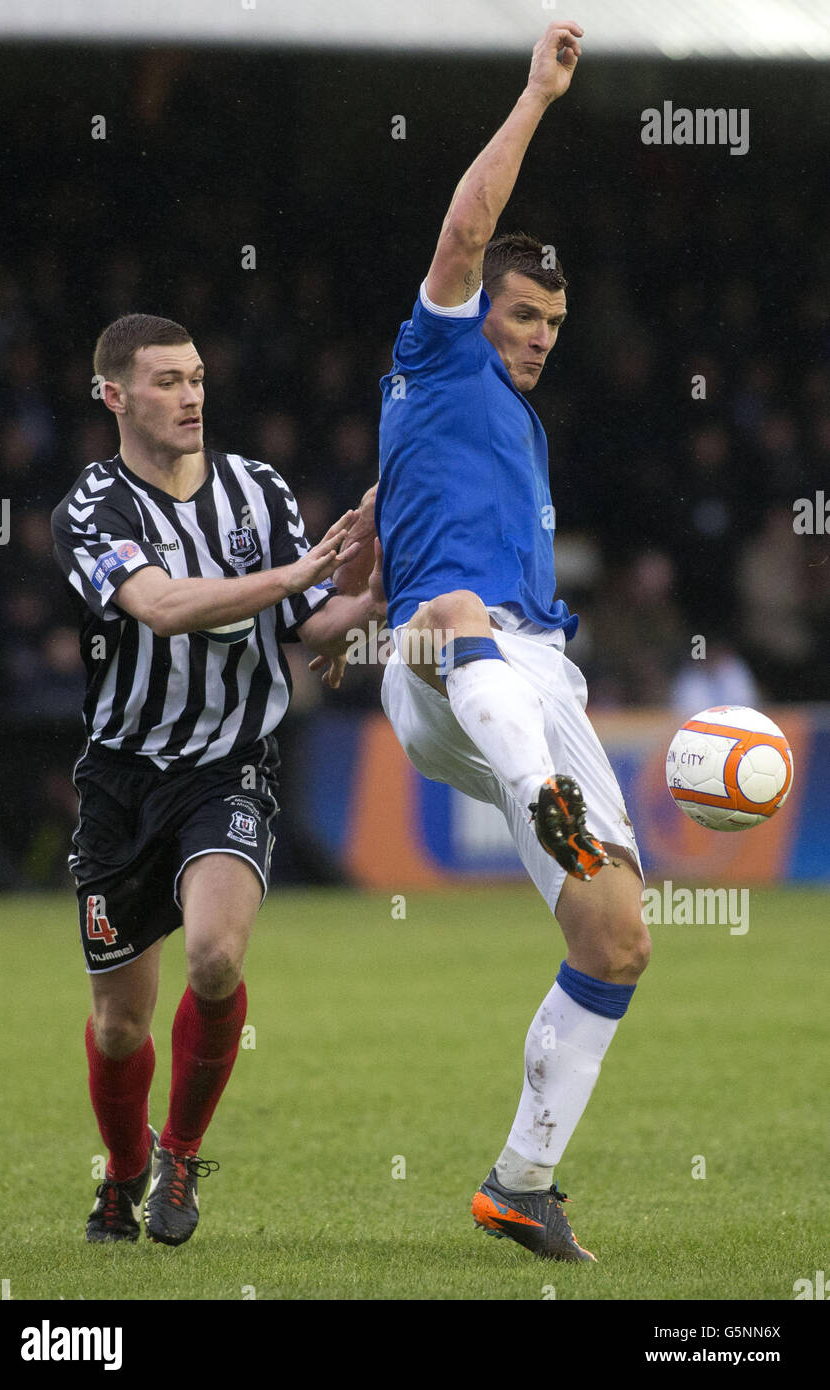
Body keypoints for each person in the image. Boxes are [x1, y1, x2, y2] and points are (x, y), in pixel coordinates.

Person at [374, 22, 649, 1262]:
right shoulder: (435, 351)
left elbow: (414, 495)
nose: (538, 333)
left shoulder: (516, 436)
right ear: (479, 304)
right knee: (457, 612)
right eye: (522, 312)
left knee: (618, 934)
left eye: (551, 322)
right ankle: (541, 794)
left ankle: (520, 1182)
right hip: (442, 663)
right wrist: (537, 95)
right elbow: (461, 234)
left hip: (532, 674)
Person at [51, 313, 383, 1246]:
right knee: (120, 1027)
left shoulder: (257, 488)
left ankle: (180, 1156)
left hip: (228, 768)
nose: (191, 395)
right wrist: (294, 583)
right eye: (165, 381)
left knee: (216, 957)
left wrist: (373, 594)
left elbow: (313, 623)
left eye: (197, 377)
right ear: (114, 396)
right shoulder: (92, 507)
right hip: (121, 782)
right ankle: (120, 1174)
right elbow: (158, 607)